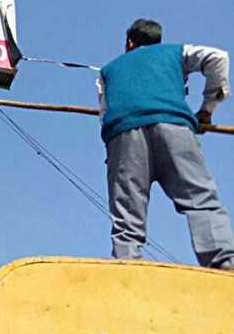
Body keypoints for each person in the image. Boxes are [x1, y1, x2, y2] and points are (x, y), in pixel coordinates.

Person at [98, 19, 234, 268]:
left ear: (129, 42)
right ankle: (224, 263)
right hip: (175, 130)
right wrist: (207, 109)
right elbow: (218, 57)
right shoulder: (175, 53)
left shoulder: (108, 71)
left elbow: (104, 113)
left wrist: (114, 154)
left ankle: (128, 265)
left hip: (124, 137)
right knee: (201, 199)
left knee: (127, 216)